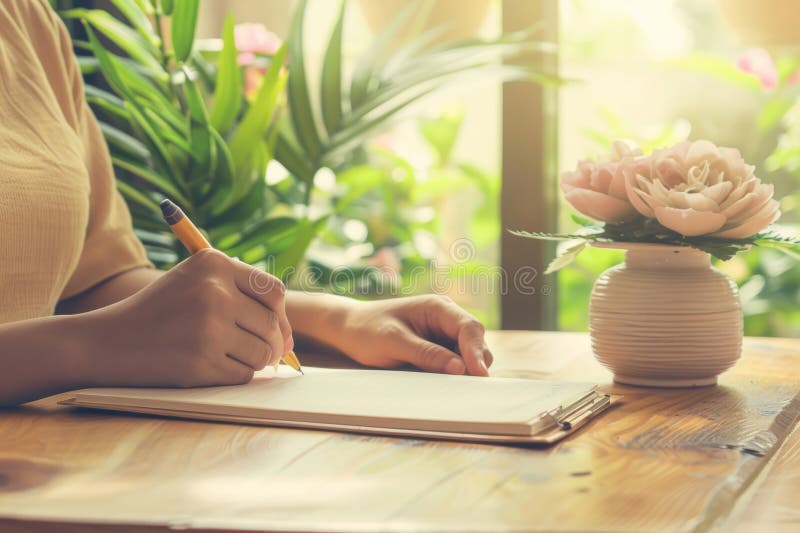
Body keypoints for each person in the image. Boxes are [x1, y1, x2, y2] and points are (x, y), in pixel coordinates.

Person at [0, 0, 493, 407]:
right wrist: (88, 348)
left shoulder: (29, 23)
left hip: (61, 461)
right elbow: (103, 332)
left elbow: (97, 284)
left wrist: (341, 322)